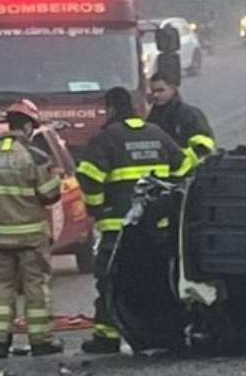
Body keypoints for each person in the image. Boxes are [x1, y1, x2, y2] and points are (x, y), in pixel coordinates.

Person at [76, 87, 186, 355]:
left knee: (110, 279)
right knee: (156, 278)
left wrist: (96, 208)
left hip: (118, 226)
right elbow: (183, 166)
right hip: (156, 227)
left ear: (111, 108)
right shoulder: (157, 134)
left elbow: (89, 176)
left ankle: (106, 337)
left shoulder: (107, 138)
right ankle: (162, 334)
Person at [0, 100, 64, 358]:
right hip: (30, 238)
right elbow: (50, 195)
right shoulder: (36, 157)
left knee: (0, 288)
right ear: (28, 127)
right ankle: (40, 341)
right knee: (36, 288)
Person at [146, 70, 216, 170]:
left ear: (173, 89)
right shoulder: (147, 115)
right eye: (153, 91)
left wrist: (184, 162)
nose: (155, 95)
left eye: (160, 90)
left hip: (185, 173)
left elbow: (205, 144)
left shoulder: (189, 115)